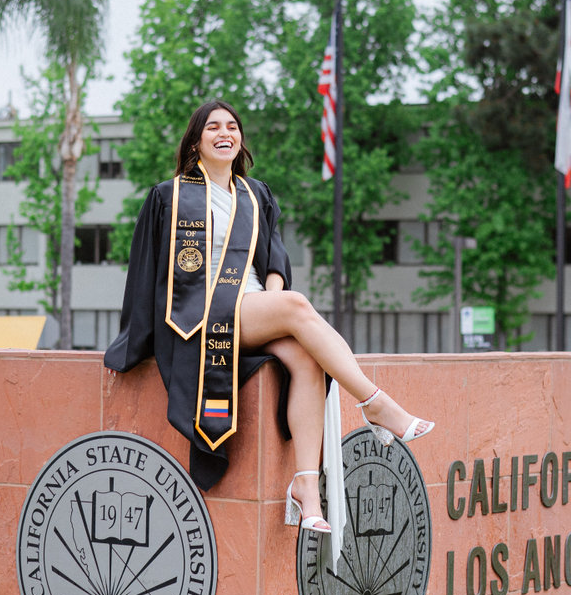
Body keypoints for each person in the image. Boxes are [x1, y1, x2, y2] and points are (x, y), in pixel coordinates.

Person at [104, 99, 433, 534]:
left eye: (232, 126)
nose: (225, 133)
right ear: (196, 142)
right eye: (213, 127)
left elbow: (274, 261)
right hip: (200, 316)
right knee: (297, 306)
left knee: (304, 357)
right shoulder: (172, 196)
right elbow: (150, 270)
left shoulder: (255, 194)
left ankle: (306, 489)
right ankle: (375, 404)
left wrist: (272, 309)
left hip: (254, 309)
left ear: (240, 140)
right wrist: (140, 339)